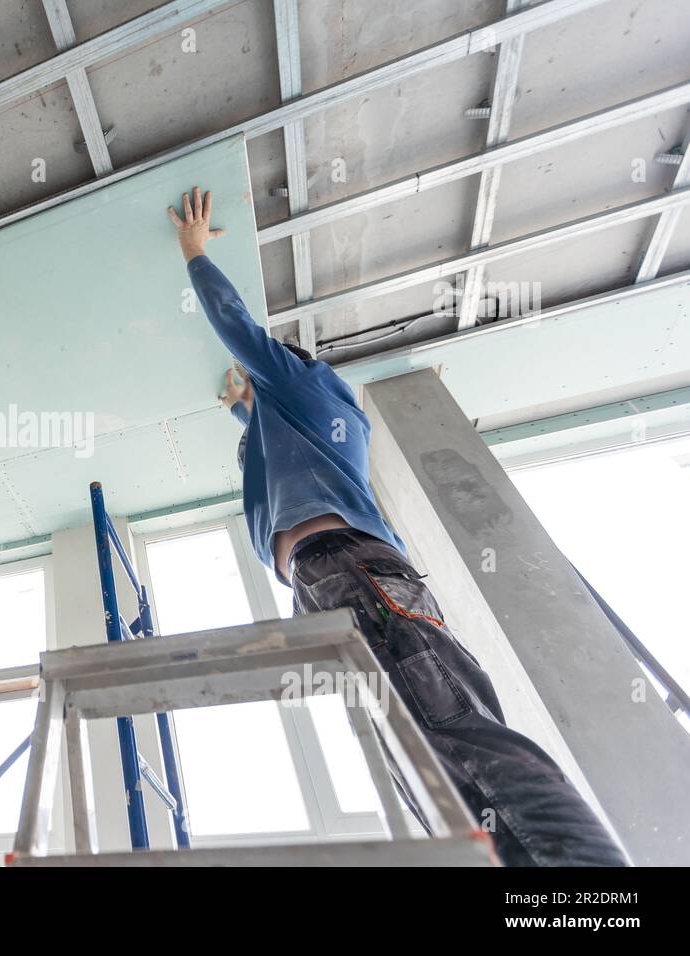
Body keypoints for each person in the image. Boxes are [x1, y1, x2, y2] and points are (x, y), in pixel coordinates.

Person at [168, 187, 626, 867]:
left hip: (349, 571)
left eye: (263, 381)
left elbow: (240, 330)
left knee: (442, 739)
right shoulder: (316, 414)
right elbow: (289, 453)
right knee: (430, 751)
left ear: (287, 369)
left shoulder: (303, 382)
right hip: (347, 575)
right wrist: (246, 411)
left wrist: (194, 250)